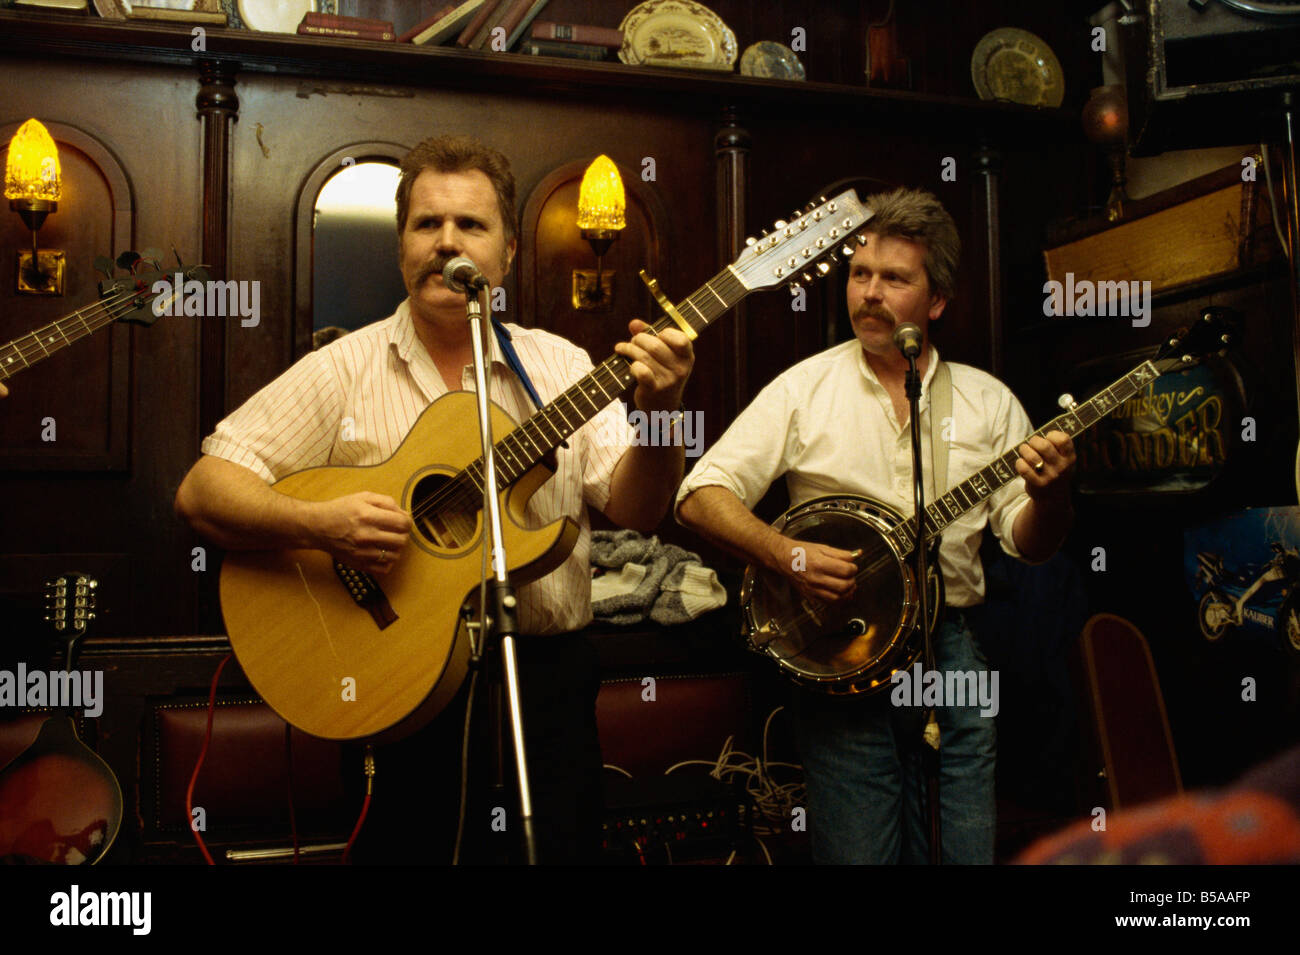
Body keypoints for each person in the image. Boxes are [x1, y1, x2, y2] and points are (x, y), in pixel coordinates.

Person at [174, 135, 694, 863]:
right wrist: (321, 523)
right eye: (426, 224)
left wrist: (664, 411)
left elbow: (638, 510)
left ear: (507, 254)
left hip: (545, 685)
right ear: (401, 247)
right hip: (394, 681)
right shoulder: (342, 369)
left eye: (471, 226)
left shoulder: (561, 366)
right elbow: (204, 490)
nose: (446, 241)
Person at [675, 187, 1074, 864]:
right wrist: (785, 553)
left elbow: (1028, 544)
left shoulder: (989, 402)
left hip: (952, 650)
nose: (869, 291)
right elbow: (698, 493)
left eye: (895, 277)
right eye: (861, 273)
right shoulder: (804, 389)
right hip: (839, 649)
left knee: (964, 849)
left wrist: (1055, 495)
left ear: (937, 300)